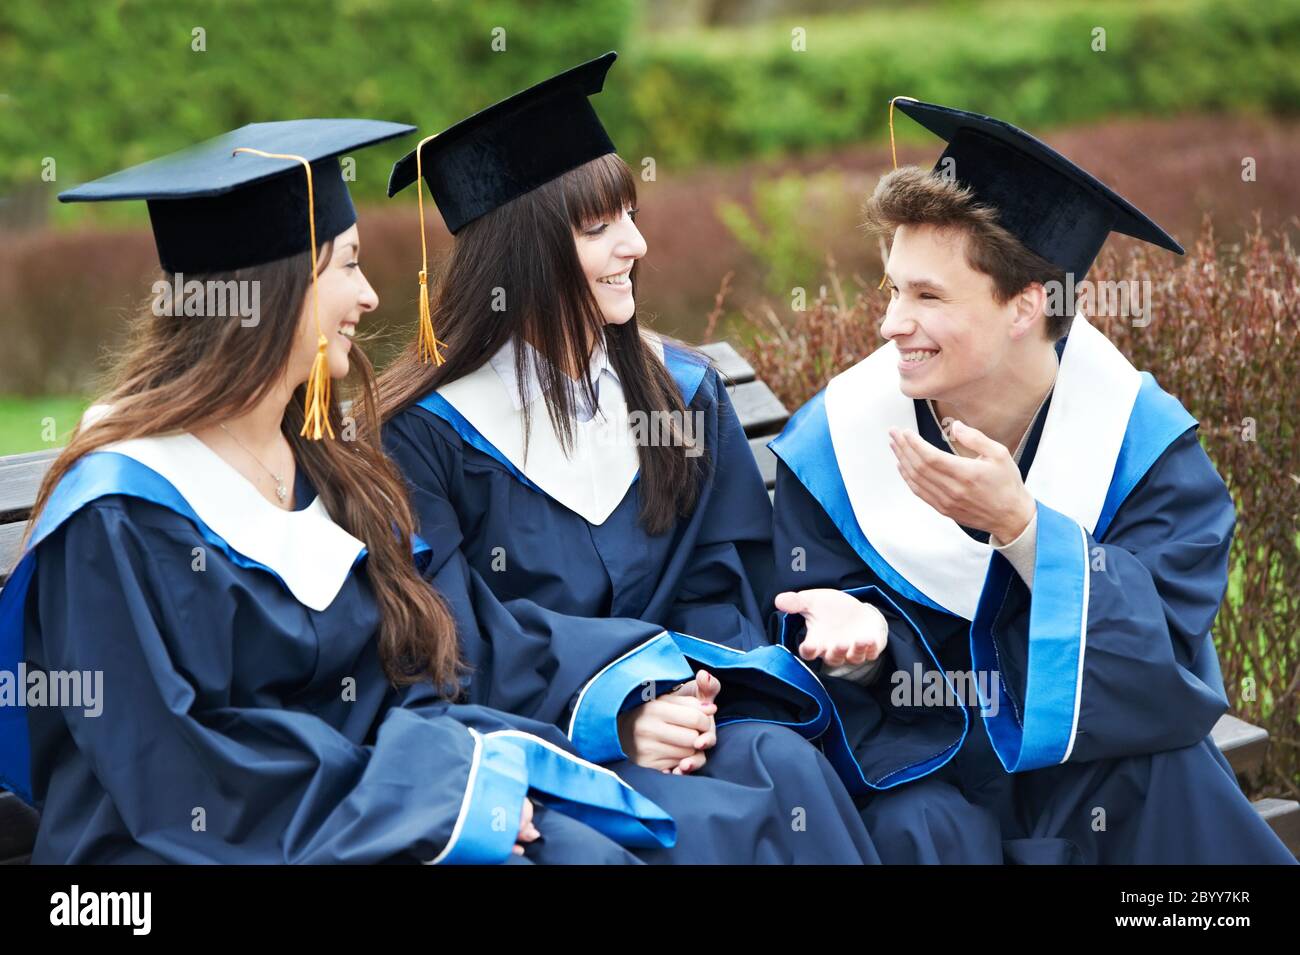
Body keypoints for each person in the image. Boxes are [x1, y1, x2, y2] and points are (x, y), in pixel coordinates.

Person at [0, 119, 676, 864]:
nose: (370, 294)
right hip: (183, 851)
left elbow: (407, 674)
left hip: (356, 814)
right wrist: (432, 803)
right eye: (346, 266)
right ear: (276, 291)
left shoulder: (323, 469)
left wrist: (461, 782)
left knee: (592, 850)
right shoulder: (119, 514)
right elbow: (176, 770)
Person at [379, 53, 879, 863]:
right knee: (710, 823)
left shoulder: (679, 395)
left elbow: (719, 582)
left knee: (786, 761)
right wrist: (616, 708)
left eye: (631, 216)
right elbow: (448, 646)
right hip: (543, 745)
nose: (637, 245)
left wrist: (695, 692)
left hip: (690, 718)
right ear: (523, 254)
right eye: (599, 227)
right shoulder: (426, 434)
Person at [769, 98, 1297, 863]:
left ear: (1025, 307)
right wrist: (866, 651)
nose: (889, 324)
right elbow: (811, 640)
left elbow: (1164, 676)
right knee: (915, 827)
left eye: (927, 296)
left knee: (1165, 783)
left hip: (1093, 763)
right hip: (929, 773)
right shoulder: (838, 443)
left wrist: (1027, 533)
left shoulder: (1143, 451)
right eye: (892, 289)